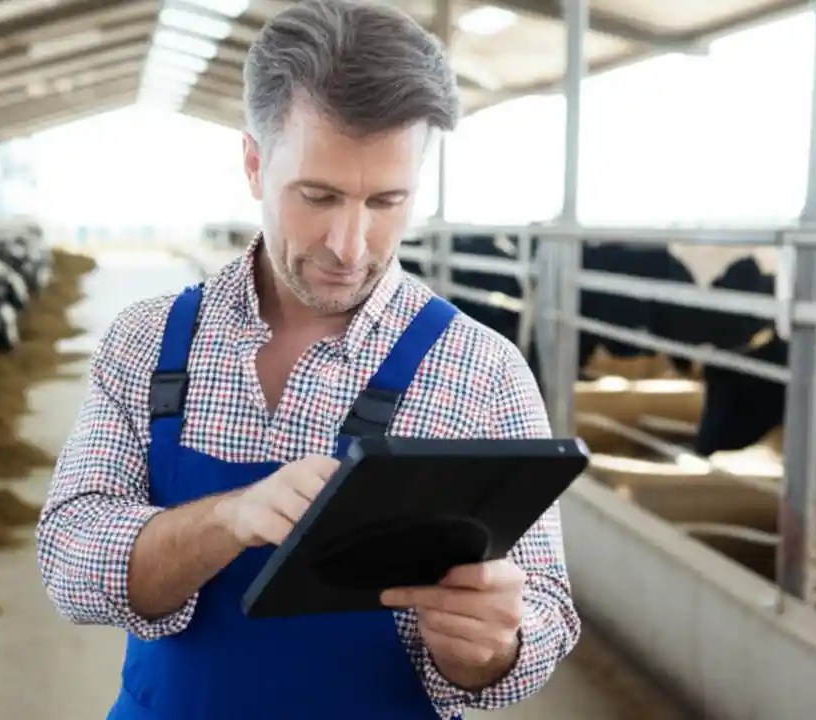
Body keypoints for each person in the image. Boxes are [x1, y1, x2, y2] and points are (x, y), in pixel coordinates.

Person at [35, 1, 581, 717]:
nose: (349, 244)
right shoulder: (147, 343)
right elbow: (71, 561)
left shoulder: (480, 372)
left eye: (387, 200)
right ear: (255, 164)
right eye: (317, 196)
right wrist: (229, 519)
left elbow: (542, 611)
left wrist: (490, 647)